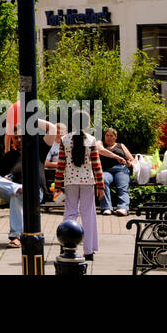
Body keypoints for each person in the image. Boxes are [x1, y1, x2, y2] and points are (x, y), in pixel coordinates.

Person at [0, 118, 61, 248]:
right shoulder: (9, 157)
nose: (19, 140)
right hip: (15, 189)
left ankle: (16, 237)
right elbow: (3, 178)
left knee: (17, 196)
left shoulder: (38, 150)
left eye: (21, 137)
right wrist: (7, 179)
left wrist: (31, 119)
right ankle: (19, 188)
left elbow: (52, 128)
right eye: (15, 138)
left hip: (35, 191)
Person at [56, 111, 104, 260]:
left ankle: (66, 246)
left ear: (73, 123)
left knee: (70, 212)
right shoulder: (91, 140)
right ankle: (88, 251)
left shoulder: (64, 139)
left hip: (70, 180)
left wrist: (58, 184)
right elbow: (96, 164)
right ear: (88, 124)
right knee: (88, 214)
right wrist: (101, 185)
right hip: (87, 181)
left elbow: (61, 164)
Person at [97, 128, 135, 216]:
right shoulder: (101, 144)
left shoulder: (121, 145)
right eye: (107, 135)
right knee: (103, 180)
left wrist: (130, 163)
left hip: (121, 169)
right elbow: (101, 151)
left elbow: (132, 159)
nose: (109, 138)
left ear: (115, 137)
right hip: (106, 170)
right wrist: (117, 157)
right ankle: (106, 208)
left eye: (111, 136)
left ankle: (123, 208)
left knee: (122, 186)